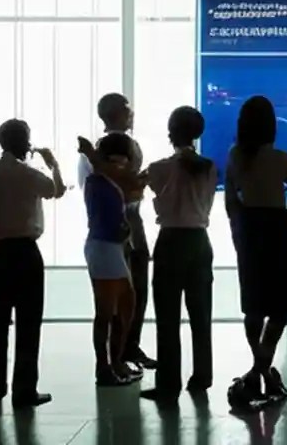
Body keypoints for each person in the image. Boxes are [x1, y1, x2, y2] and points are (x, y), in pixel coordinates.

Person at [0, 119, 66, 408]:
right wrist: (54, 164)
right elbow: (57, 191)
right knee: (28, 324)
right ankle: (24, 390)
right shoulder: (30, 175)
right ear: (24, 142)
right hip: (25, 253)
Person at [225, 96, 287, 407]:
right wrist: (285, 218)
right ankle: (263, 373)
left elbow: (231, 201)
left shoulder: (236, 156)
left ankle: (258, 370)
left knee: (254, 303)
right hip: (277, 229)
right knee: (282, 304)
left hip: (249, 229)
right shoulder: (282, 158)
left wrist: (239, 231)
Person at [140, 106, 218, 403]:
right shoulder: (209, 167)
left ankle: (168, 382)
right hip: (200, 241)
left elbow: (135, 185)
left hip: (170, 241)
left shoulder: (159, 168)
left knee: (168, 317)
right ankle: (202, 377)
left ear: (171, 133)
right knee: (201, 314)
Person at [79, 93, 157, 370]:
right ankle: (120, 352)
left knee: (127, 296)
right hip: (122, 227)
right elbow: (123, 185)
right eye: (127, 110)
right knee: (122, 297)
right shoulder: (109, 151)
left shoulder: (100, 152)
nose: (132, 114)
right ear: (114, 114)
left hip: (119, 225)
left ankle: (124, 350)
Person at [78, 132, 144, 387]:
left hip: (113, 247)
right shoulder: (98, 179)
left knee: (126, 306)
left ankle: (114, 362)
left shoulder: (110, 178)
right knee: (106, 311)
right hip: (103, 247)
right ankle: (104, 367)